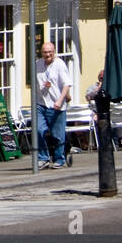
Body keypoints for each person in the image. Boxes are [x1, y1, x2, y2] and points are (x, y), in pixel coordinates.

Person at [35, 41, 72, 169]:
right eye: (45, 52)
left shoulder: (60, 65)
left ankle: (59, 158)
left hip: (56, 105)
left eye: (50, 52)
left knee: (57, 134)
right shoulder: (38, 64)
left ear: (54, 51)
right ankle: (43, 158)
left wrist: (60, 100)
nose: (48, 54)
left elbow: (67, 84)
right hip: (41, 103)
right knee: (39, 130)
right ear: (41, 53)